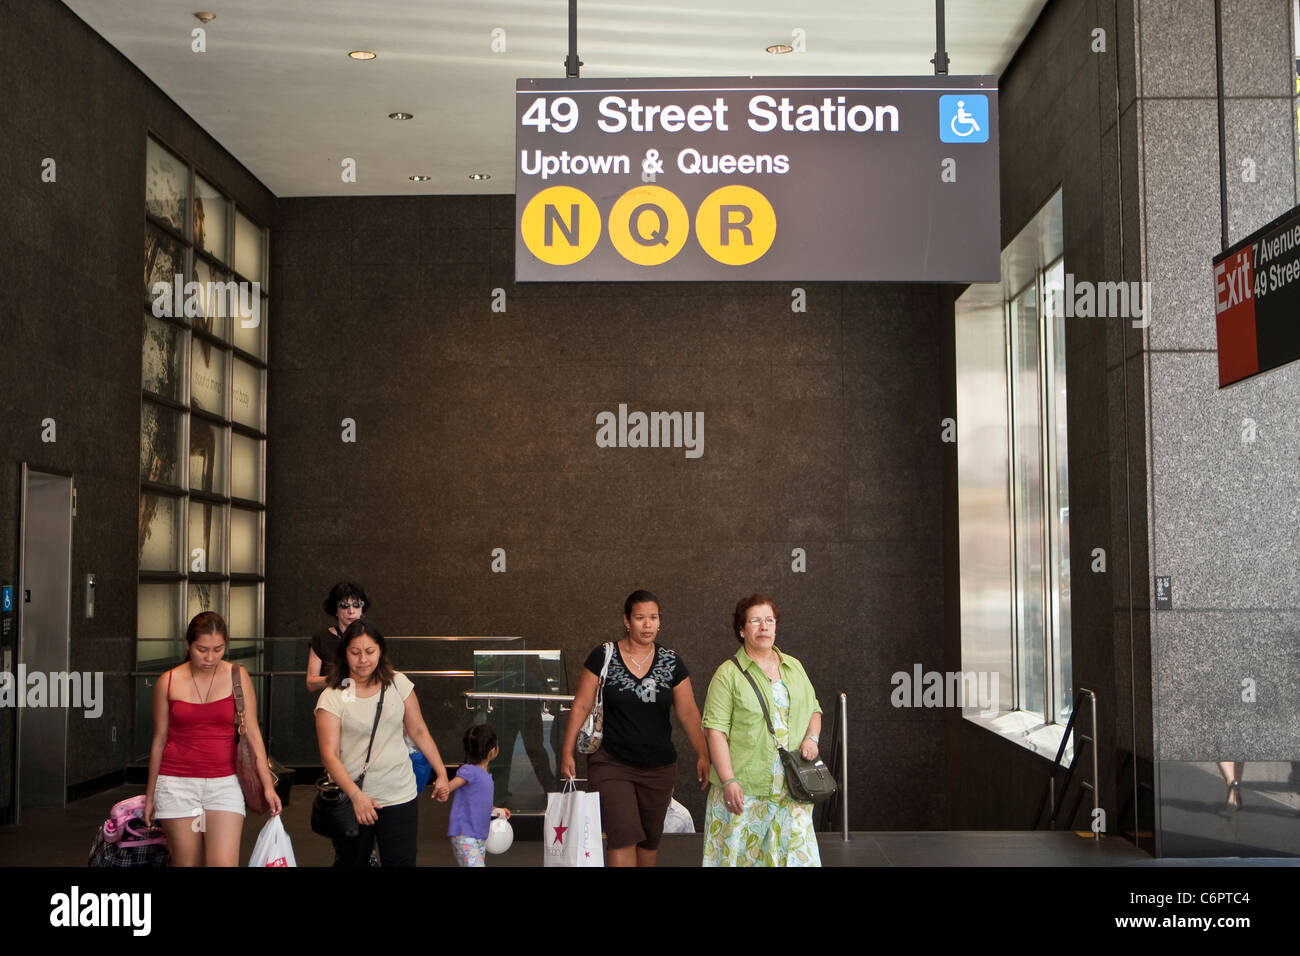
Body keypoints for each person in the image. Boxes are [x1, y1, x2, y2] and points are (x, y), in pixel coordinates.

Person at [560, 589, 710, 867]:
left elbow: (688, 712)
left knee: (648, 844)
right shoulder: (603, 656)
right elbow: (581, 706)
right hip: (611, 763)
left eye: (653, 617)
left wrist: (704, 754)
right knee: (622, 836)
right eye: (640, 617)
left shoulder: (671, 662)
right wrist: (567, 752)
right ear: (627, 621)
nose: (647, 624)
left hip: (659, 768)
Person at [145, 611, 281, 866]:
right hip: (176, 784)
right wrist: (150, 796)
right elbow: (159, 740)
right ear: (188, 644)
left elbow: (252, 733)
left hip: (224, 783)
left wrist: (268, 786)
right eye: (202, 649)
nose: (210, 657)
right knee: (187, 863)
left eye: (218, 649)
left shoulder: (238, 676)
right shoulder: (169, 680)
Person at [315, 618, 451, 866]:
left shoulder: (397, 683)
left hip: (400, 794)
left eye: (370, 651)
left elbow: (419, 730)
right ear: (345, 654)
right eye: (355, 652)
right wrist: (356, 796)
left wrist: (441, 772)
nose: (363, 659)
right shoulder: (334, 695)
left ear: (381, 651)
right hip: (353, 798)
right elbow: (329, 754)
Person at [701, 593, 822, 867]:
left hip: (792, 789)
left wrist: (812, 738)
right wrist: (729, 780)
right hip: (745, 791)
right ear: (742, 630)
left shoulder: (794, 667)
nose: (764, 626)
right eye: (755, 621)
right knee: (742, 859)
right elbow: (715, 731)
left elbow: (814, 709)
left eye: (769, 620)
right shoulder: (727, 674)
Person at [447, 723, 511, 867]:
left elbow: (481, 804)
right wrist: (444, 789)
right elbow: (453, 784)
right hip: (465, 835)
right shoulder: (469, 771)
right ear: (492, 751)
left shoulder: (484, 776)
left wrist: (496, 810)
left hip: (478, 836)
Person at [307, 582, 368, 693]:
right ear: (335, 610)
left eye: (356, 605)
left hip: (366, 702)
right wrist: (342, 678)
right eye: (344, 605)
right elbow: (311, 683)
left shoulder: (371, 636)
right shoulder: (321, 638)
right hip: (333, 704)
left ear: (362, 609)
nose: (351, 611)